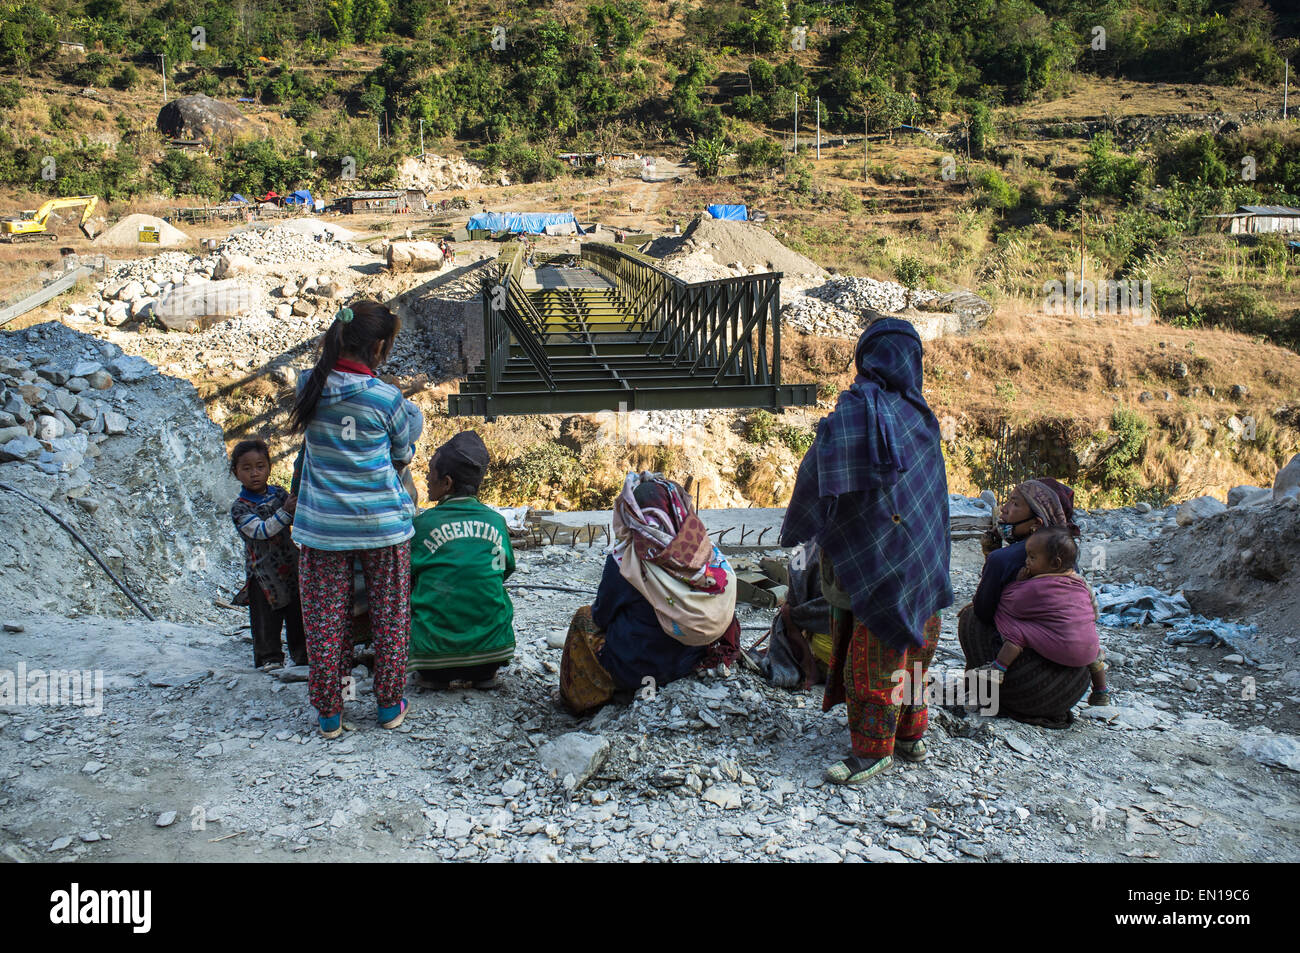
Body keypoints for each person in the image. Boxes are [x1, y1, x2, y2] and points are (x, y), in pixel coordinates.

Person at [781, 317, 953, 785]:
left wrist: (812, 527)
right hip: (922, 562)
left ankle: (873, 751)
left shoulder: (854, 409)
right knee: (913, 645)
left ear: (867, 357)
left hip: (871, 560)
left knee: (872, 656)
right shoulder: (924, 419)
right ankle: (911, 735)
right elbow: (933, 501)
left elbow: (818, 478)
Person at [291, 300, 416, 739]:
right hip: (383, 526)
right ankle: (387, 705)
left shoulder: (309, 385)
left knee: (326, 620)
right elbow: (402, 452)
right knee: (390, 616)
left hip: (322, 528)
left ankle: (332, 711)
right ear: (380, 347)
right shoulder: (386, 398)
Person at [559, 472, 740, 715]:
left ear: (632, 515)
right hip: (690, 661)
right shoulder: (706, 554)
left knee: (584, 618)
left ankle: (581, 701)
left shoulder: (625, 561)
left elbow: (601, 616)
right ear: (678, 509)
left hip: (635, 666)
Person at [958, 478, 1104, 726]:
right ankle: (1100, 691)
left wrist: (991, 557)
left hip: (1031, 689)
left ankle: (990, 693)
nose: (1003, 510)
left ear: (1036, 523)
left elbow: (985, 610)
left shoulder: (1003, 560)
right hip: (1072, 689)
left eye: (1014, 504)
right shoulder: (1065, 560)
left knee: (971, 618)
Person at [408, 431, 516, 687]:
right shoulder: (496, 522)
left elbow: (406, 575)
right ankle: (483, 674)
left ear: (446, 483)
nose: (425, 477)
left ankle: (434, 672)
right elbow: (504, 569)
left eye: (430, 471)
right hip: (492, 652)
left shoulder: (422, 525)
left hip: (433, 655)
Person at [981, 528, 1109, 703]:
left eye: (1032, 557)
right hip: (1086, 651)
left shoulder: (1038, 586)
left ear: (1055, 563)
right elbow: (1093, 611)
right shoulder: (1080, 582)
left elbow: (1011, 603)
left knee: (1017, 633)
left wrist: (1019, 582)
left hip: (1060, 649)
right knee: (1094, 648)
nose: (1026, 561)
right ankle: (1101, 691)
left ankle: (998, 669)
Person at [229, 439, 306, 672]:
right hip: (262, 573)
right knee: (265, 618)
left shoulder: (280, 494)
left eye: (260, 466)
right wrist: (286, 512)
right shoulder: (240, 507)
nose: (255, 473)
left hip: (290, 566)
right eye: (247, 468)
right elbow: (261, 531)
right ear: (236, 472)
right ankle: (269, 658)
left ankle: (303, 656)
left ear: (269, 467)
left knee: (297, 613)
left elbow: (298, 517)